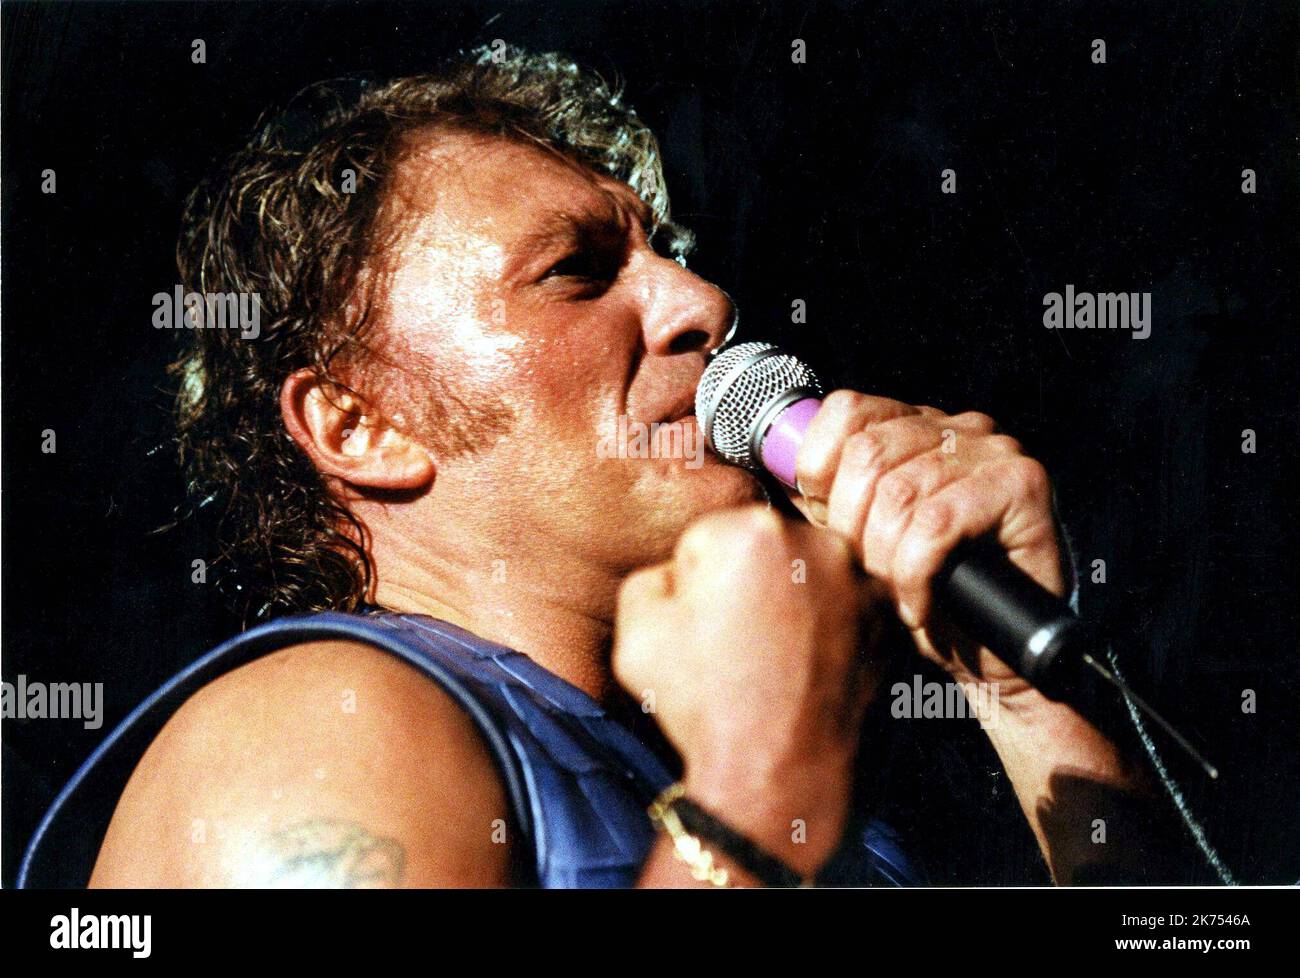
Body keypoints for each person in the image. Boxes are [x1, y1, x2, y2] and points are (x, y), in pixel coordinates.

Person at [22, 47, 1175, 888]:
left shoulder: (725, 773)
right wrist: (753, 796)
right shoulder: (309, 732)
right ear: (357, 424)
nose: (700, 303)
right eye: (575, 271)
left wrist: (1036, 710)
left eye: (666, 255)